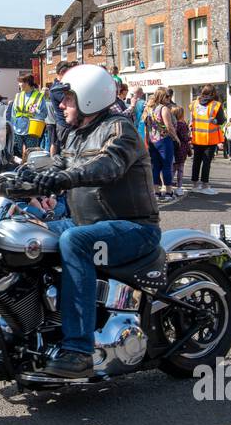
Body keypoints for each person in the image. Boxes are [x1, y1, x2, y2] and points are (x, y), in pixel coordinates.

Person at [22, 64, 159, 379]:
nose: (61, 105)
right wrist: (25, 175)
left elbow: (107, 166)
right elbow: (59, 162)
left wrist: (63, 177)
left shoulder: (120, 130)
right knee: (25, 234)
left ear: (88, 98)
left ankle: (79, 349)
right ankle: (28, 335)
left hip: (133, 228)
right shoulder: (76, 136)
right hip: (87, 223)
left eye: (67, 99)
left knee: (74, 242)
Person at [189, 84, 226, 195]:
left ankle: (195, 185)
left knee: (196, 161)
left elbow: (192, 115)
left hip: (197, 137)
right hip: (210, 138)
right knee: (206, 162)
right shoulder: (216, 105)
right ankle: (205, 185)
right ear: (213, 93)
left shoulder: (194, 104)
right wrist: (215, 121)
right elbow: (221, 120)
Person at [143, 88, 177, 200]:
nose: (169, 98)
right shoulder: (164, 109)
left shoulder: (150, 109)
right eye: (167, 96)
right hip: (164, 140)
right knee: (167, 166)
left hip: (153, 140)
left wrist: (147, 140)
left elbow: (147, 127)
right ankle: (168, 192)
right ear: (162, 97)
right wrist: (176, 138)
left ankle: (156, 192)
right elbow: (169, 126)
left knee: (155, 167)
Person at [9, 73, 47, 157]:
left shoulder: (38, 96)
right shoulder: (18, 95)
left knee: (31, 154)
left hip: (32, 130)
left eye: (20, 82)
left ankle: (30, 169)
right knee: (16, 154)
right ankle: (17, 169)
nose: (19, 84)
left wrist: (36, 111)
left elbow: (44, 114)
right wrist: (12, 127)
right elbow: (13, 113)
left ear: (27, 83)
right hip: (17, 130)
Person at [46, 61, 74, 156]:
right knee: (65, 152)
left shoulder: (59, 86)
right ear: (62, 73)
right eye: (69, 73)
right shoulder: (57, 88)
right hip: (64, 124)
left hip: (64, 124)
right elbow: (73, 101)